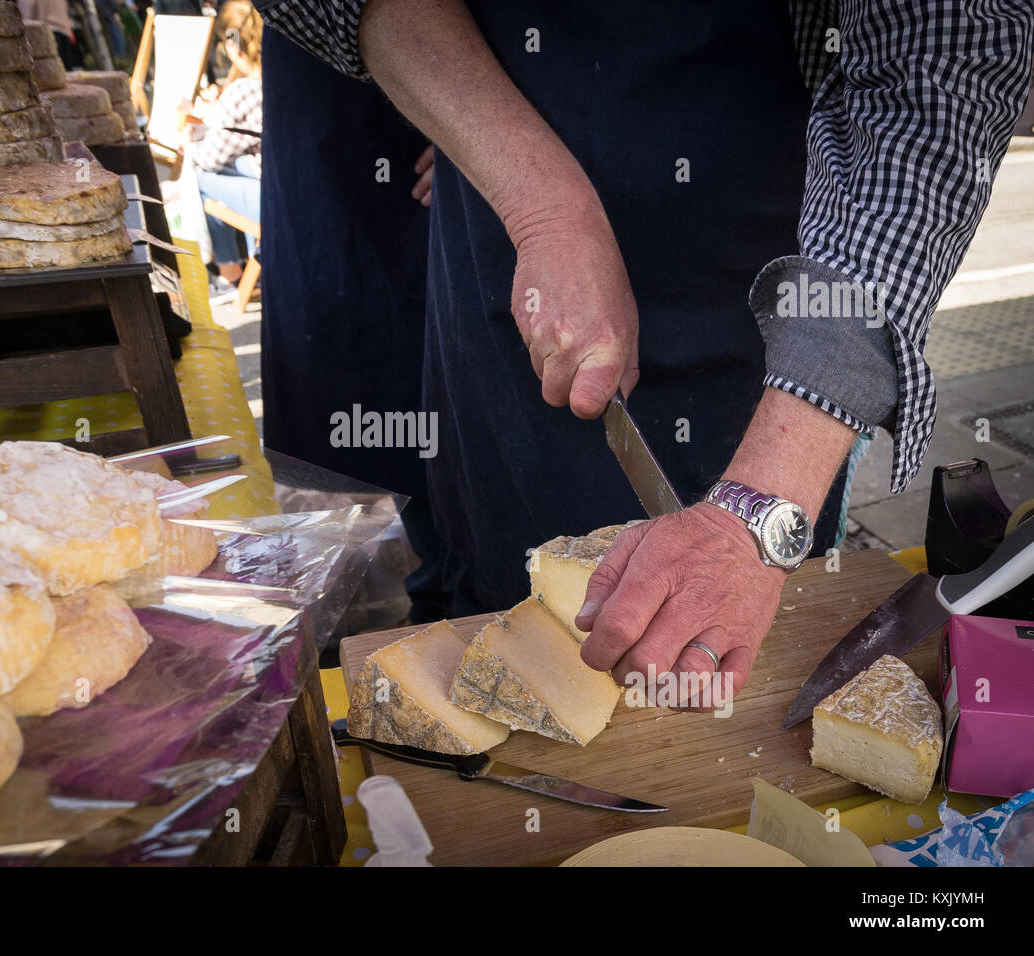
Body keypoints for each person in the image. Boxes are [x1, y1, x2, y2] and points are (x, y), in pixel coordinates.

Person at [255, 0, 1034, 700]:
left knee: (702, 674)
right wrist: (545, 210)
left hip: (751, 272)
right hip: (505, 247)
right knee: (503, 615)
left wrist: (760, 507)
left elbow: (935, 78)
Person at [260, 27, 448, 622]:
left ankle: (460, 600)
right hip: (328, 130)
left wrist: (488, 133)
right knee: (367, 410)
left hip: (440, 122)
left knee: (453, 409)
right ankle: (434, 604)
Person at [188, 1, 262, 304]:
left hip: (278, 203)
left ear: (233, 45)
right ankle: (243, 266)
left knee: (201, 175)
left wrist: (199, 129)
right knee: (236, 162)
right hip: (307, 189)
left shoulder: (246, 90)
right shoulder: (286, 80)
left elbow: (208, 157)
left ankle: (230, 273)